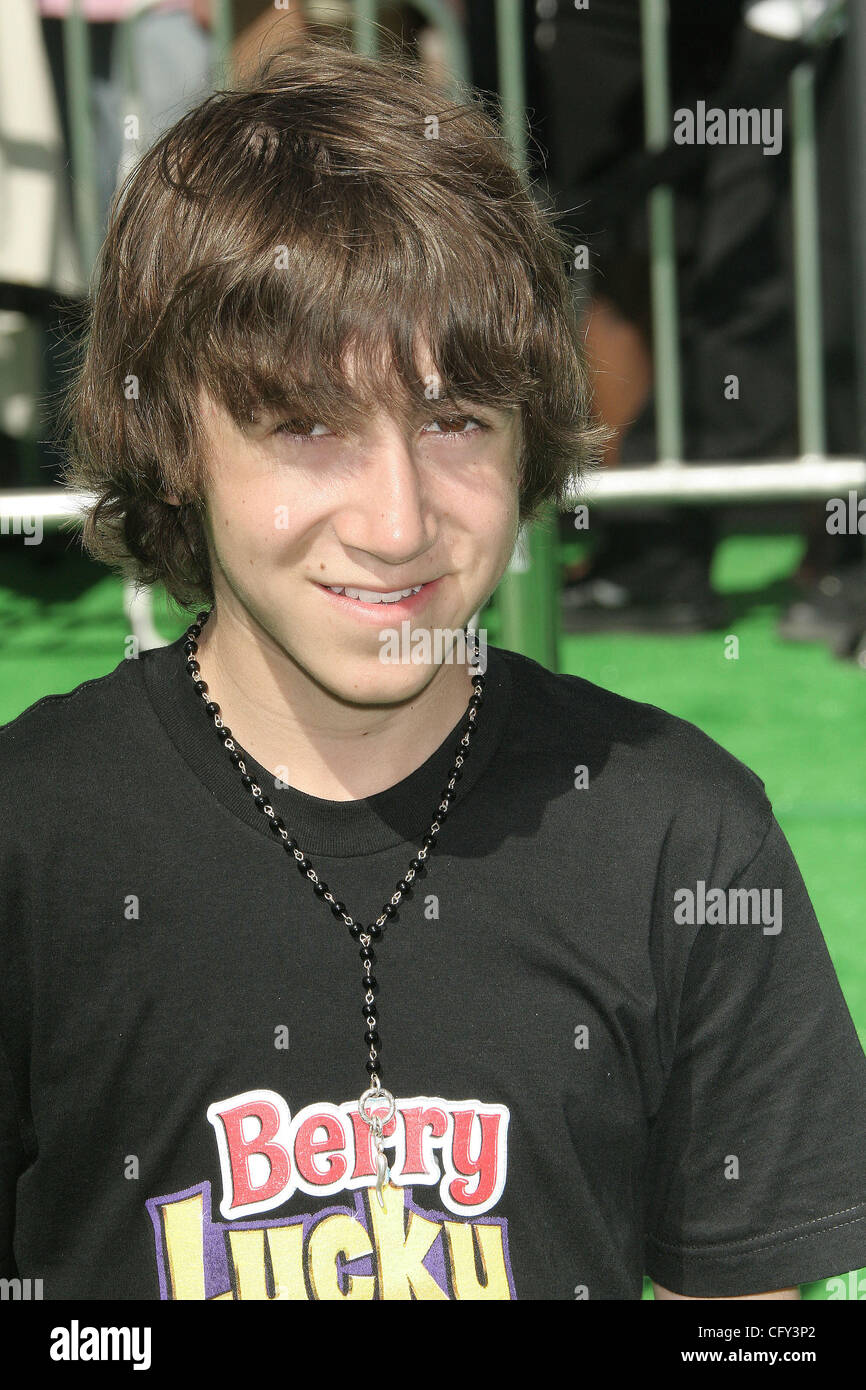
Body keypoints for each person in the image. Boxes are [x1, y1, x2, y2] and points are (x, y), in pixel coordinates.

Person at [1, 36, 864, 1302]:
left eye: (455, 420)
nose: (397, 521)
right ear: (175, 435)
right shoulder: (36, 839)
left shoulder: (680, 838)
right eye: (306, 425)